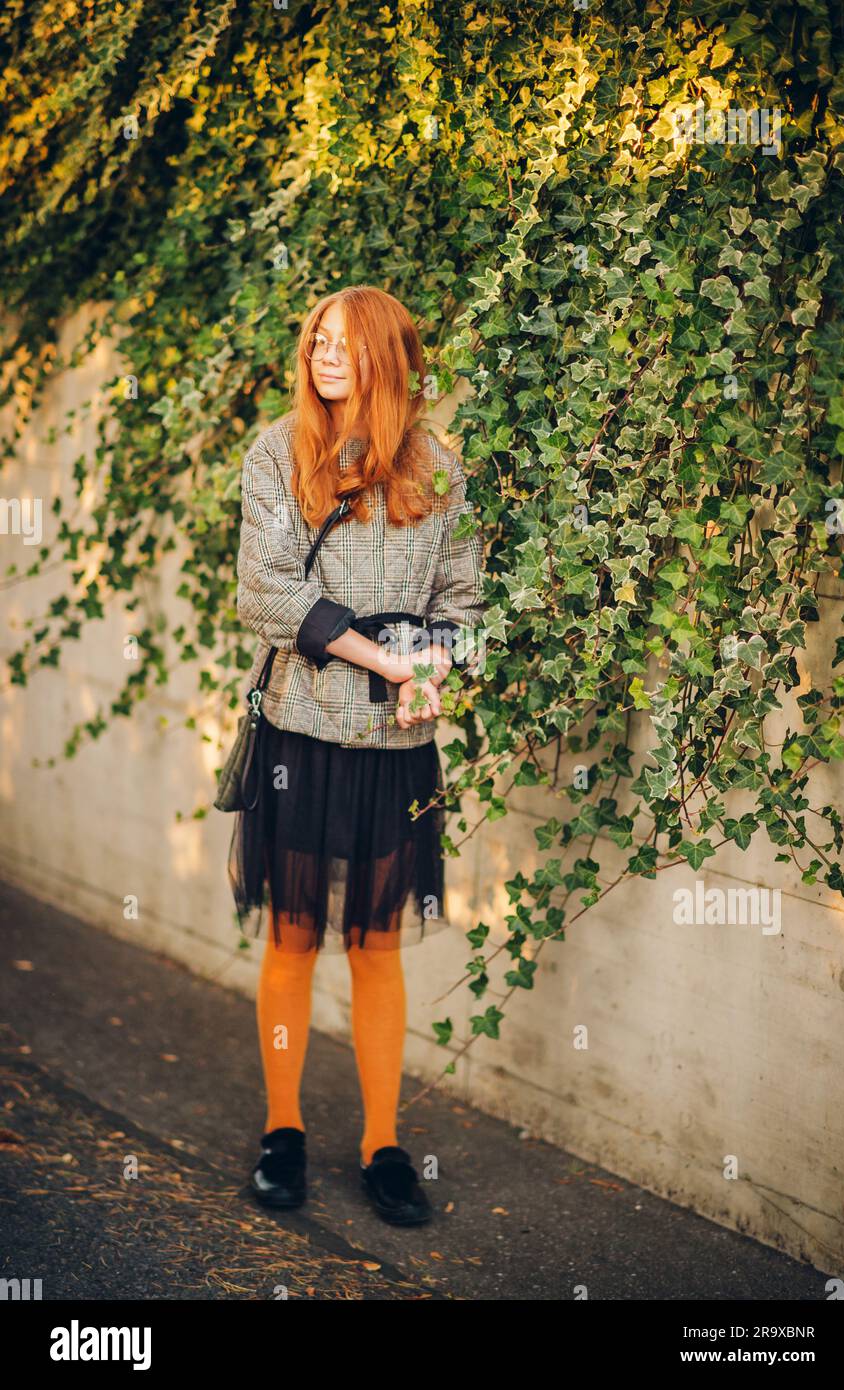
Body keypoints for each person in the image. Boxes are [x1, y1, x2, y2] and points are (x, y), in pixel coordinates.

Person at [231, 285, 486, 1225]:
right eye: (315, 340)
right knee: (291, 936)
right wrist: (383, 655)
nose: (322, 355)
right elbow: (264, 594)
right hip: (301, 735)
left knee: (376, 948)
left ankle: (383, 1145)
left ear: (385, 352)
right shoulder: (277, 452)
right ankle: (282, 1132)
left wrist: (440, 664)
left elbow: (464, 603)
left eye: (342, 342)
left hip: (395, 744)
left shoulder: (439, 469)